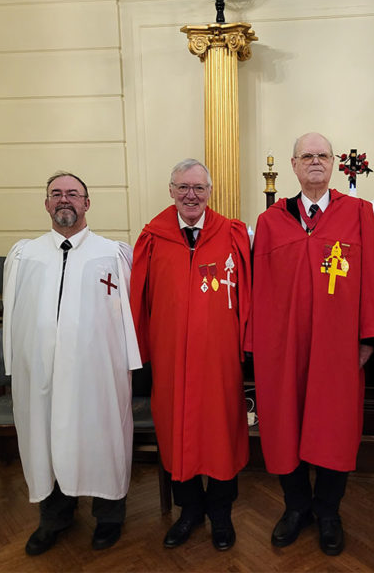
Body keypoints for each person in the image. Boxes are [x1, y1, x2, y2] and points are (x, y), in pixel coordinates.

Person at [248, 132, 374, 556]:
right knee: (284, 424)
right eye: (306, 156)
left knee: (334, 427)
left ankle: (328, 512)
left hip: (336, 345)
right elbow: (258, 288)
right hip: (283, 347)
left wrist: (367, 339)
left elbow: (369, 283)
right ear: (292, 165)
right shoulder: (271, 221)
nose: (315, 162)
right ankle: (295, 508)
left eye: (322, 155)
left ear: (334, 164)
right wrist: (257, 345)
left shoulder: (358, 214)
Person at [2, 171, 140, 556]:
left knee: (102, 439)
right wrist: (15, 365)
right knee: (45, 440)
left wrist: (129, 364)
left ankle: (109, 516)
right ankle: (54, 518)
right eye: (56, 194)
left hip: (98, 375)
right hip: (41, 375)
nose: (65, 200)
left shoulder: (112, 253)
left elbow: (130, 317)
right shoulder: (25, 255)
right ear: (46, 203)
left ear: (87, 203)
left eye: (73, 194)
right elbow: (12, 319)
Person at [129, 159, 251, 551]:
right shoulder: (153, 237)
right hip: (170, 361)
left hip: (219, 361)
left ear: (210, 192)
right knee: (176, 432)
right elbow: (138, 301)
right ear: (171, 191)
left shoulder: (231, 235)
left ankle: (220, 515)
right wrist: (141, 353)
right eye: (183, 187)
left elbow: (248, 296)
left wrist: (246, 345)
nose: (191, 195)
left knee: (220, 434)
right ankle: (188, 511)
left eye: (198, 188)